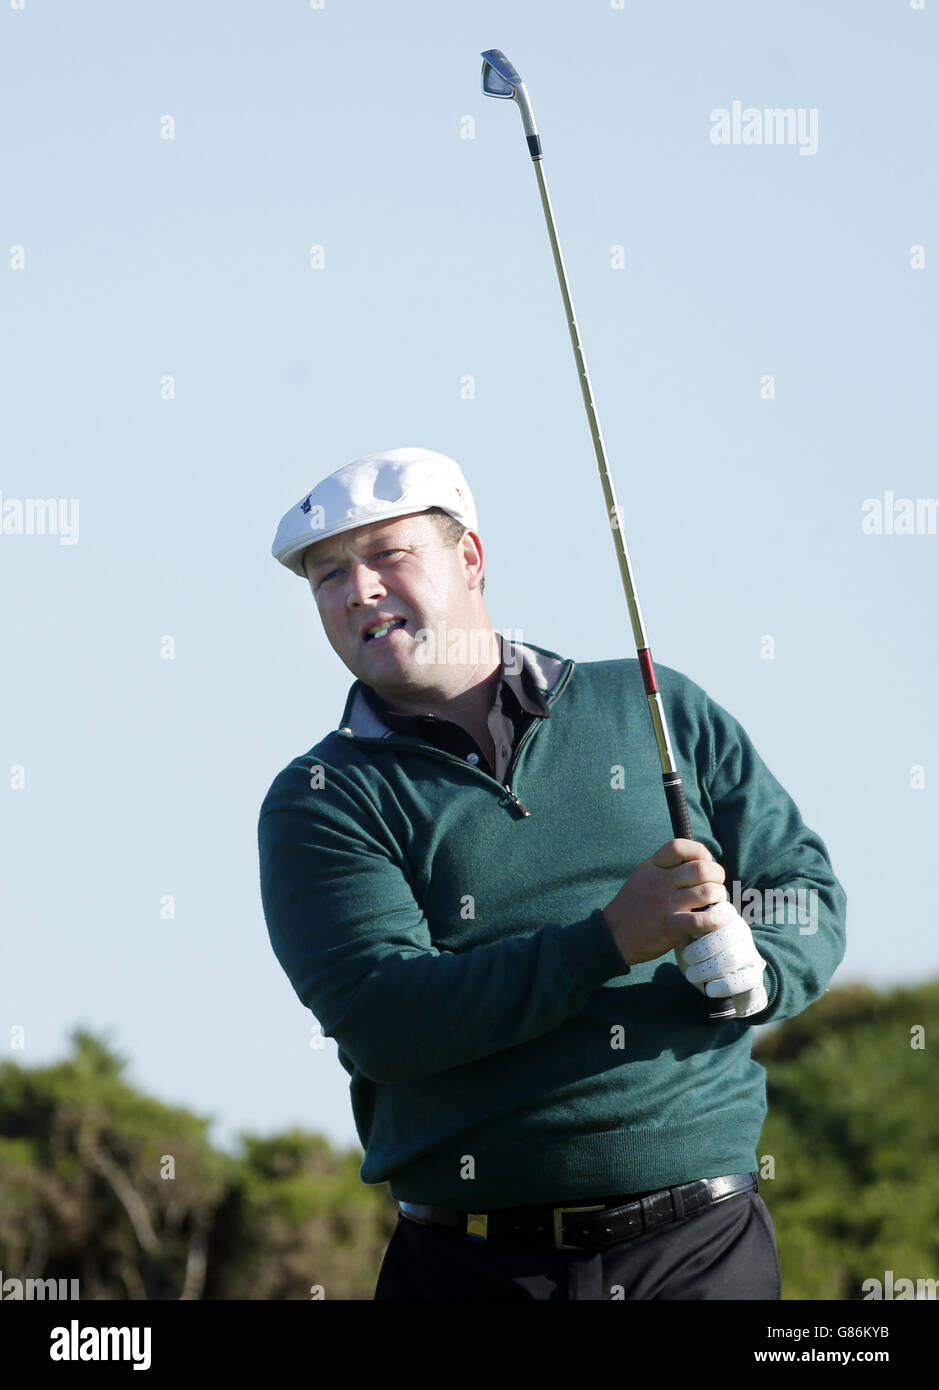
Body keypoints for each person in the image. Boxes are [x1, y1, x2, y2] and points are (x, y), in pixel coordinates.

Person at [257, 445, 847, 1301]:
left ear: (469, 558)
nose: (359, 592)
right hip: (466, 1269)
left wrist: (760, 969)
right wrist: (607, 942)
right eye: (327, 576)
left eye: (388, 555)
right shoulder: (320, 798)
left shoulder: (652, 703)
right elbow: (387, 1016)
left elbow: (802, 887)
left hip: (701, 1251)